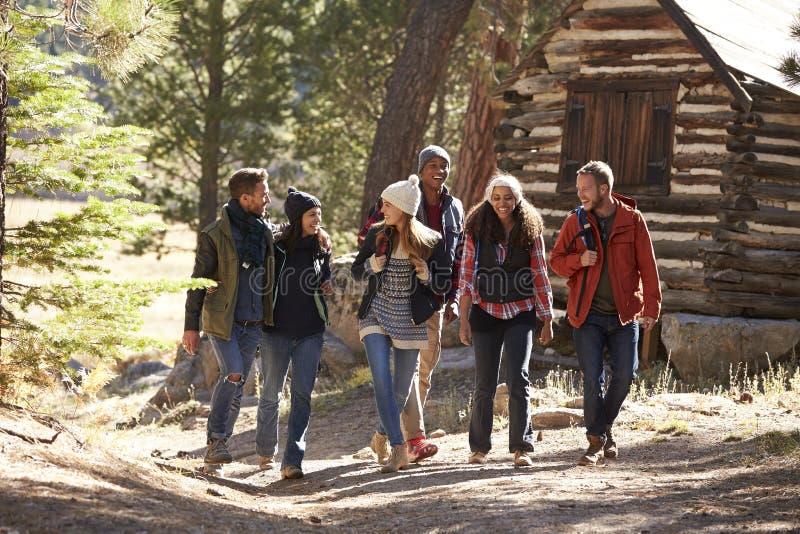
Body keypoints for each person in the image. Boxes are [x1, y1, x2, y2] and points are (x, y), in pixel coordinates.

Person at [550, 161, 661, 466]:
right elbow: (556, 261)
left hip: (624, 315)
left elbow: (648, 267)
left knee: (626, 375)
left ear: (603, 189)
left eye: (585, 189)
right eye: (578, 189)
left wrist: (652, 306)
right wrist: (579, 260)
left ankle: (602, 429)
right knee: (591, 379)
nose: (580, 194)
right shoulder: (575, 221)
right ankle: (595, 442)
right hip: (587, 316)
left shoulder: (633, 221)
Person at [358, 145, 464, 464]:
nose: (439, 170)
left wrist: (452, 296)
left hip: (429, 301)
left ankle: (390, 436)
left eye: (444, 165)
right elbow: (368, 239)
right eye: (432, 164)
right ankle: (411, 438)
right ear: (420, 169)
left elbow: (455, 258)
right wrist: (376, 262)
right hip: (389, 303)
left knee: (423, 371)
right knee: (407, 374)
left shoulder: (454, 208)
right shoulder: (399, 199)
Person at [182, 168, 275, 472]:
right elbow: (198, 280)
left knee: (237, 384)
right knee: (233, 373)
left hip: (254, 322)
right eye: (263, 195)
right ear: (246, 198)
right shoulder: (214, 235)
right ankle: (217, 439)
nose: (268, 199)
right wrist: (191, 326)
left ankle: (217, 448)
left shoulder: (263, 231)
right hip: (223, 322)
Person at [458, 173, 553, 467]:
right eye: (497, 197)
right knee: (484, 383)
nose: (503, 203)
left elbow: (539, 275)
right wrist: (463, 320)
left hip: (520, 312)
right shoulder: (476, 228)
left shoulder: (530, 230)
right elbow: (466, 277)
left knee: (518, 379)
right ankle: (479, 448)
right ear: (489, 198)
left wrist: (546, 318)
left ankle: (521, 447)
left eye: (509, 197)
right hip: (485, 312)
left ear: (518, 199)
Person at [255, 187, 333, 480]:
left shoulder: (322, 245)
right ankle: (265, 451)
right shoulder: (276, 246)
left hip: (311, 331)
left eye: (319, 214)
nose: (318, 219)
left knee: (302, 395)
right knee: (271, 393)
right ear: (298, 217)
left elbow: (324, 275)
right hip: (276, 331)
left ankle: (292, 461)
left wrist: (326, 283)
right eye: (312, 214)